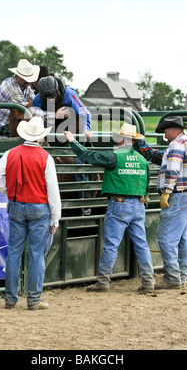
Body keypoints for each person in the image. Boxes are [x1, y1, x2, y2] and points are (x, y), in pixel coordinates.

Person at [64, 123, 155, 294]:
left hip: (119, 205)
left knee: (111, 244)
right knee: (141, 244)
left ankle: (103, 281)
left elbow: (88, 156)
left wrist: (73, 141)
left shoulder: (114, 157)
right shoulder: (143, 160)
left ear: (121, 139)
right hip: (139, 205)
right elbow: (146, 185)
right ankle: (148, 281)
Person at [0, 116, 61, 310]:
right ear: (40, 137)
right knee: (36, 253)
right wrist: (56, 217)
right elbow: (53, 192)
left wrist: (10, 191)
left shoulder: (9, 153)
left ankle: (10, 299)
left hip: (16, 205)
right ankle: (34, 299)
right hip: (39, 208)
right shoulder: (47, 158)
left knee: (14, 252)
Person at [134, 116, 187, 288]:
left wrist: (166, 191)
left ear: (172, 130)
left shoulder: (176, 144)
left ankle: (172, 277)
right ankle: (184, 274)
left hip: (179, 194)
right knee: (183, 236)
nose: (165, 136)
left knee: (166, 236)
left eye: (165, 132)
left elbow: (172, 169)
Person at [0, 59, 39, 135]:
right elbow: (25, 109)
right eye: (25, 79)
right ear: (17, 76)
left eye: (29, 79)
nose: (28, 82)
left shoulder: (25, 86)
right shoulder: (11, 89)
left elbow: (34, 102)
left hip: (2, 128)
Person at [31, 75, 92, 144]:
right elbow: (34, 115)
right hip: (51, 130)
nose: (50, 100)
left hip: (71, 129)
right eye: (46, 98)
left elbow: (84, 113)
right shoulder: (38, 98)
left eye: (52, 96)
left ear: (57, 91)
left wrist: (86, 129)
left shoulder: (69, 93)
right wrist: (55, 115)